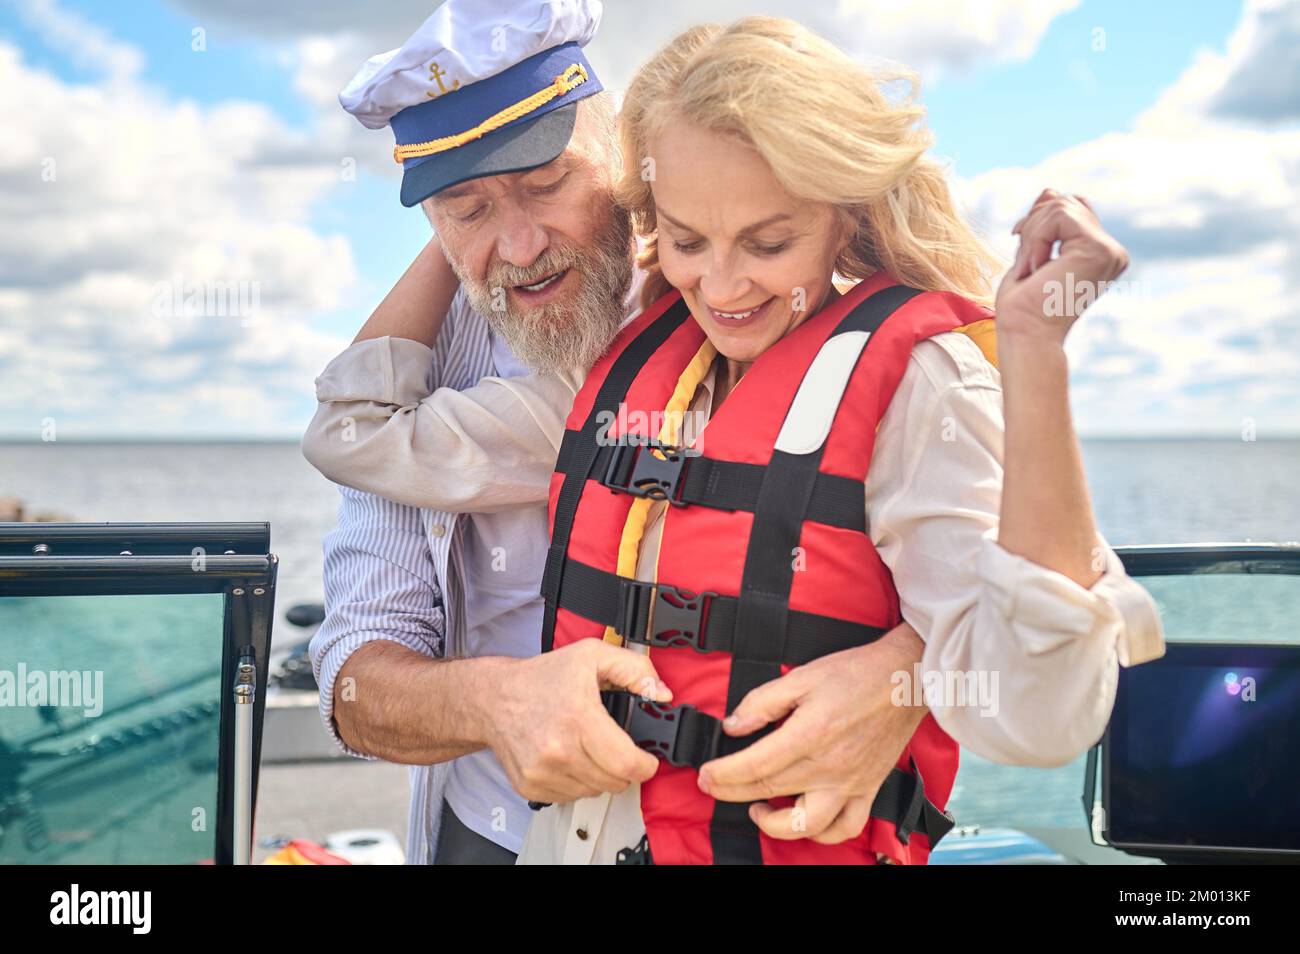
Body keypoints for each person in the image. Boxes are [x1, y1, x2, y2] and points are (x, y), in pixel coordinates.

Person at [306, 0, 936, 865]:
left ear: (621, 158)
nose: (522, 245)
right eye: (467, 206)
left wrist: (911, 674)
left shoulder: (741, 304)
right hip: (498, 830)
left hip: (747, 833)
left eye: (547, 181)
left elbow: (1014, 568)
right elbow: (352, 679)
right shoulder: (432, 365)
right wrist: (499, 703)